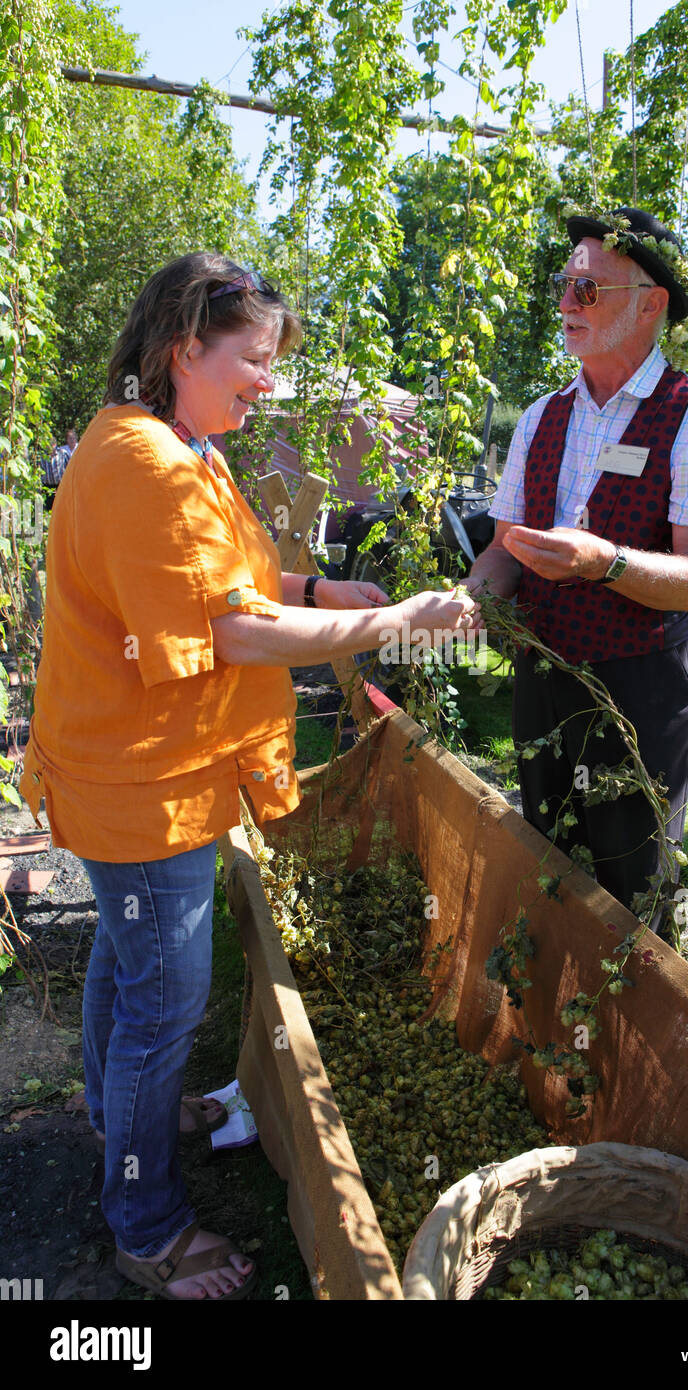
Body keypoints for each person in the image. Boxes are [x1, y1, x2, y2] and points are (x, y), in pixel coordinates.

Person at [19, 252, 475, 1301]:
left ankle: (111, 1108)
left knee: (126, 968)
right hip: (146, 784)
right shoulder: (149, 463)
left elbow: (230, 578)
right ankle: (148, 1225)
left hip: (136, 770)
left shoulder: (181, 446)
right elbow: (229, 628)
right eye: (253, 359)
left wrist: (315, 582)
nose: (268, 381)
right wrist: (393, 619)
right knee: (165, 1007)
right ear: (186, 346)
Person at [468, 207, 688, 923]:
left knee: (631, 885)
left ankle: (636, 1027)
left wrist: (606, 563)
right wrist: (465, 602)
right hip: (543, 673)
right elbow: (506, 551)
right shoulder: (542, 417)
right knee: (545, 859)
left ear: (651, 304)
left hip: (638, 688)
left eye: (587, 290)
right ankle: (556, 1021)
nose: (566, 304)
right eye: (565, 287)